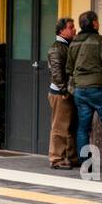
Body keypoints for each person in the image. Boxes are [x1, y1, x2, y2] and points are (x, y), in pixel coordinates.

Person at [68, 10, 102, 165]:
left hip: (80, 91)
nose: (99, 23)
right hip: (99, 89)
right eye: (97, 21)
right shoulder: (101, 41)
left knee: (83, 127)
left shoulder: (74, 42)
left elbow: (69, 68)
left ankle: (85, 162)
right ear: (94, 23)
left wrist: (76, 84)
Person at [46, 16, 77, 168]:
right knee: (60, 126)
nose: (74, 30)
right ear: (62, 30)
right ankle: (57, 158)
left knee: (69, 125)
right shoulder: (57, 48)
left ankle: (70, 156)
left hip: (66, 91)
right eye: (71, 27)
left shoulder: (66, 46)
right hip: (60, 93)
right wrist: (64, 91)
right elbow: (57, 73)